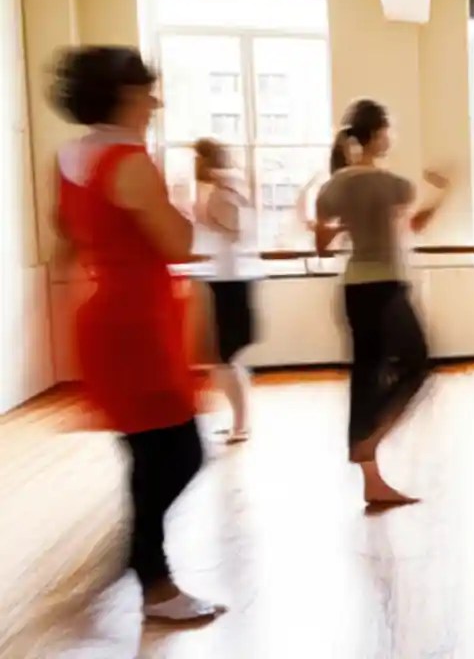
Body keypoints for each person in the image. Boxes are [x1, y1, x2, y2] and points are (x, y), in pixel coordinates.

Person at [51, 46, 223, 621]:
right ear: (125, 95)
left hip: (105, 316)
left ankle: (146, 567)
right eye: (148, 91)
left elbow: (66, 246)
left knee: (147, 454)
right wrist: (186, 198)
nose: (155, 101)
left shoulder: (69, 158)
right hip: (138, 323)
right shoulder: (128, 161)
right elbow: (180, 244)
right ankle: (149, 574)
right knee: (181, 454)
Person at [314, 98, 448, 507]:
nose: (391, 136)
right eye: (388, 129)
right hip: (387, 288)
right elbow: (417, 224)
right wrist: (445, 190)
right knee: (417, 363)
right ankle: (371, 439)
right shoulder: (393, 184)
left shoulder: (334, 185)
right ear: (376, 135)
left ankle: (372, 476)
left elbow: (320, 244)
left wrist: (346, 227)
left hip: (355, 289)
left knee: (365, 376)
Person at [194, 138, 260, 444]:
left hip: (232, 279)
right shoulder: (229, 190)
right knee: (226, 359)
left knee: (225, 358)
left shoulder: (226, 193)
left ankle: (241, 424)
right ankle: (239, 421)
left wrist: (209, 220)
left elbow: (236, 233)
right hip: (229, 277)